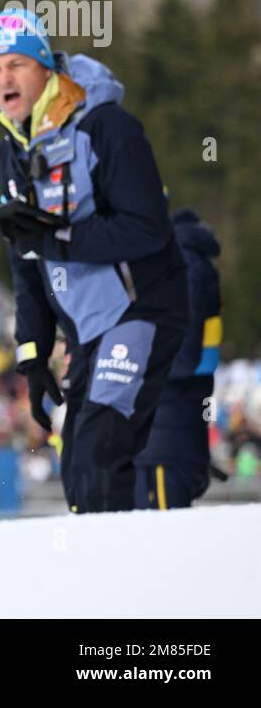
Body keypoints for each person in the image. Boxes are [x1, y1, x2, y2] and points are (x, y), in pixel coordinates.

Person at [0, 8, 187, 513]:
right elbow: (27, 261)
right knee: (77, 470)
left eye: (16, 64)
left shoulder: (106, 126)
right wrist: (33, 353)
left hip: (141, 308)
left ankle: (118, 583)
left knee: (99, 455)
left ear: (46, 68)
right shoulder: (12, 151)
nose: (4, 78)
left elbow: (147, 227)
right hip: (88, 329)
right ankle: (115, 575)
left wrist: (56, 238)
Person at [134, 208, 223, 509]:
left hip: (168, 429)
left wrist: (140, 372)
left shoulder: (185, 267)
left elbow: (184, 353)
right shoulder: (192, 264)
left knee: (160, 532)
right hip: (177, 423)